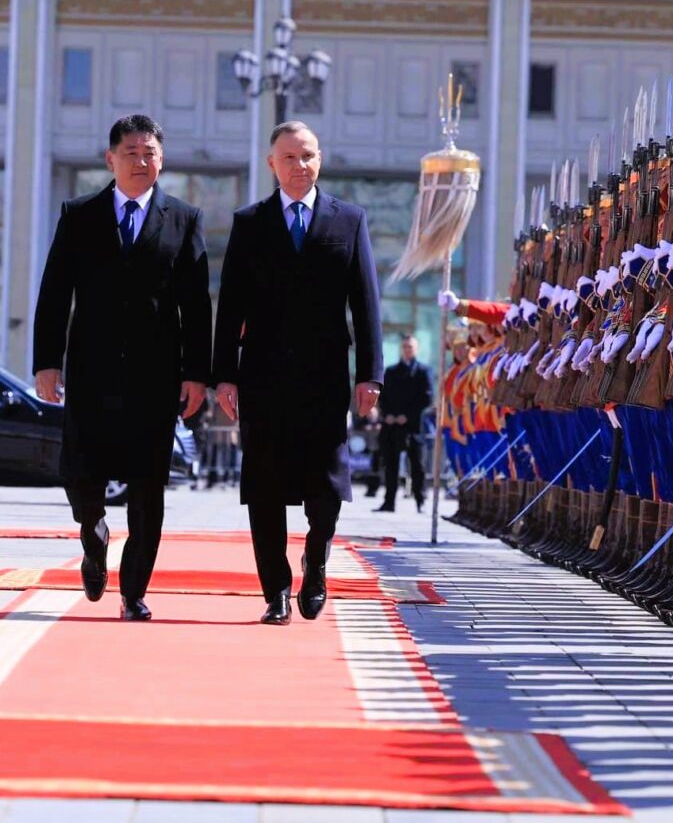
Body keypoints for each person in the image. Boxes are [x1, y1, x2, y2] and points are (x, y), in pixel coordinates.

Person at [33, 114, 211, 621]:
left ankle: (134, 590)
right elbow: (54, 294)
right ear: (110, 159)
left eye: (149, 152)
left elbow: (197, 306)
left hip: (156, 379)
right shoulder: (80, 214)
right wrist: (47, 363)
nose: (140, 160)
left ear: (162, 159)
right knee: (79, 474)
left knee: (148, 485)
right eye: (130, 151)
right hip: (90, 372)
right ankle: (93, 537)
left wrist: (197, 373)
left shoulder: (184, 219)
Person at [213, 120, 383, 625]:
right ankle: (276, 592)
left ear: (320, 159)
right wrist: (224, 374)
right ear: (272, 164)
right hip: (262, 376)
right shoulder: (250, 223)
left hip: (325, 376)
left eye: (308, 156)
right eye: (289, 157)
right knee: (264, 487)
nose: (300, 166)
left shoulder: (348, 220)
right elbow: (231, 306)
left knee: (326, 485)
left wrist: (370, 373)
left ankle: (317, 559)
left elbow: (366, 302)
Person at [375, 334, 433, 512]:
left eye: (411, 347)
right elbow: (382, 396)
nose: (407, 350)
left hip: (413, 426)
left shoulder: (423, 371)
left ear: (416, 350)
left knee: (417, 466)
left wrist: (407, 415)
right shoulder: (391, 371)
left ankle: (420, 500)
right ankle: (389, 501)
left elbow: (427, 397)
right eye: (405, 347)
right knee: (390, 465)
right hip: (392, 425)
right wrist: (388, 415)